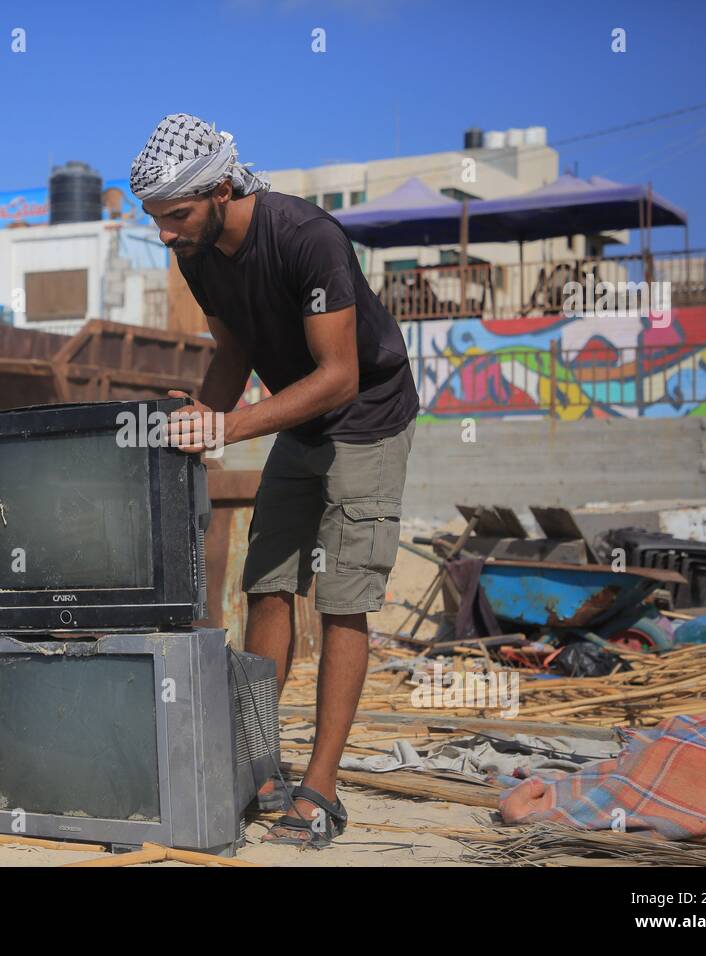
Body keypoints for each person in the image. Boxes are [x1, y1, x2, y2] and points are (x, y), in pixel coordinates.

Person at [130, 114, 419, 848]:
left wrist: (227, 429)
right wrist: (200, 422)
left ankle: (320, 790)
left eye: (177, 215)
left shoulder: (307, 237)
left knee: (344, 601)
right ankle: (257, 767)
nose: (165, 233)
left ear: (222, 188)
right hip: (300, 416)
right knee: (269, 583)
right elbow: (234, 353)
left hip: (366, 415)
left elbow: (340, 375)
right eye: (155, 219)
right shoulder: (196, 250)